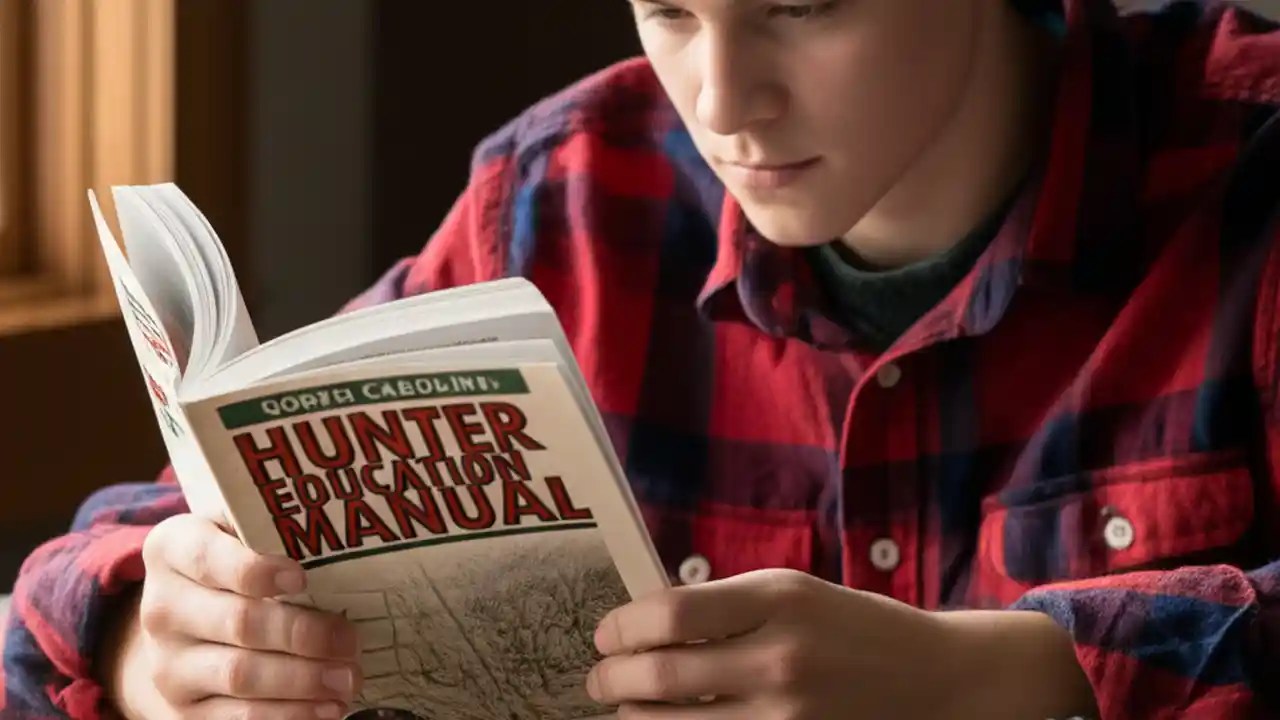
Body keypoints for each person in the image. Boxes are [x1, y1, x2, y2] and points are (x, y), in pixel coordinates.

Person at [4, 0, 1279, 717]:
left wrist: (1005, 684)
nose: (720, 98)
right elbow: (86, 581)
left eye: (803, 6)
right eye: (671, 8)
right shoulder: (565, 197)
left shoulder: (1247, 172)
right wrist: (144, 642)